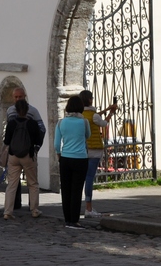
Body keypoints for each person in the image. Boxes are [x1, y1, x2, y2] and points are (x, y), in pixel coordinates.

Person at [2, 98, 44, 219]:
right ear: (27, 110)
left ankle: (7, 211)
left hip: (13, 156)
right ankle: (34, 210)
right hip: (28, 155)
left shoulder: (12, 123)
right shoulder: (32, 123)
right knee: (33, 183)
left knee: (12, 185)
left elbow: (7, 140)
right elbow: (38, 139)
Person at [79, 90, 117, 218]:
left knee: (82, 178)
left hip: (82, 150)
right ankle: (88, 207)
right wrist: (111, 113)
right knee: (89, 178)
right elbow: (103, 123)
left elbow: (95, 116)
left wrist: (106, 109)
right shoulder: (94, 116)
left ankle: (83, 206)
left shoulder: (81, 114)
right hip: (94, 150)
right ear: (90, 100)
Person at [54, 94, 90, 229]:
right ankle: (74, 220)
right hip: (80, 158)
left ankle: (67, 218)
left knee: (66, 189)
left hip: (65, 158)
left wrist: (59, 155)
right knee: (76, 189)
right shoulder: (84, 122)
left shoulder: (61, 122)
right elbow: (88, 135)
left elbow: (57, 144)